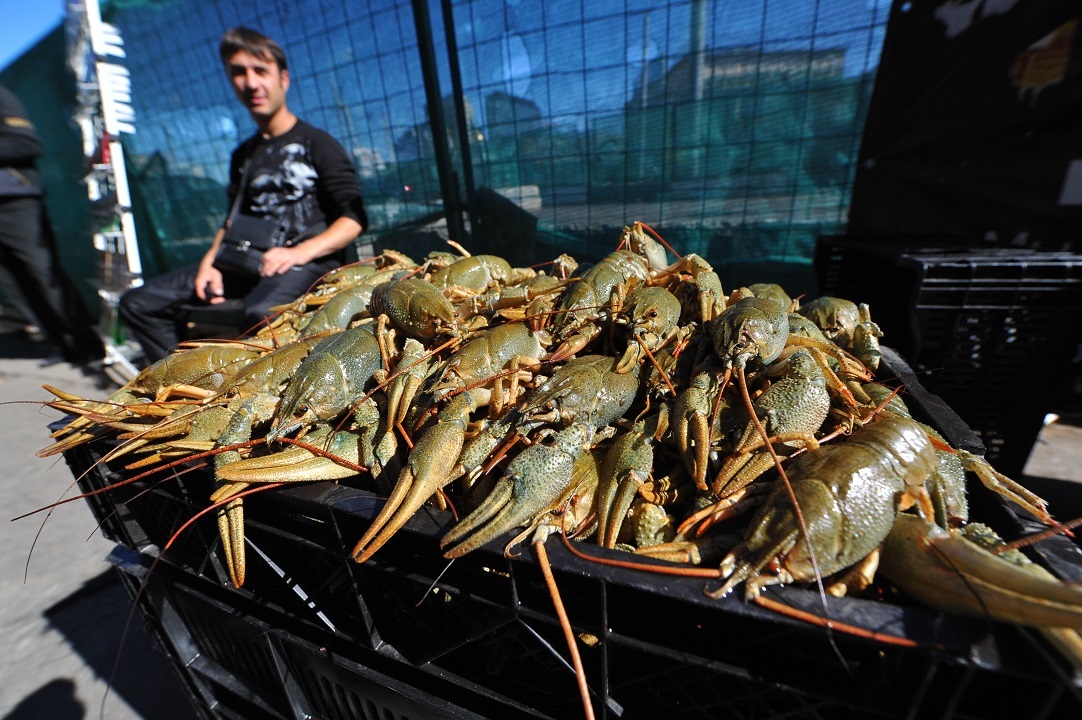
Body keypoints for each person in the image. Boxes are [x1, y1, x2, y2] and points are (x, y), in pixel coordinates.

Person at [119, 27, 367, 363]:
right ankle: (181, 380)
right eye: (239, 72)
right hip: (246, 257)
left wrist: (299, 253)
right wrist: (211, 264)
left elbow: (353, 219)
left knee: (262, 311)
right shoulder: (243, 155)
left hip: (304, 261)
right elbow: (230, 220)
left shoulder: (317, 143)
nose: (250, 83)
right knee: (138, 303)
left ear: (283, 79)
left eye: (260, 71)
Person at [0, 83, 105, 366]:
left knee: (42, 272)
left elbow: (26, 142)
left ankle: (88, 344)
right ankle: (61, 345)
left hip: (14, 201)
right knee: (14, 282)